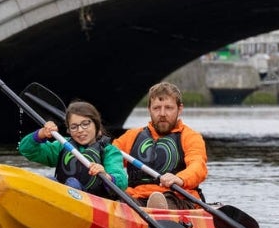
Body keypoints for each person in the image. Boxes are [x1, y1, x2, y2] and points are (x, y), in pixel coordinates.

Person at [113, 82, 208, 210]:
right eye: (157, 108)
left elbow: (198, 166)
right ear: (149, 110)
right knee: (120, 201)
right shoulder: (131, 136)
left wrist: (180, 178)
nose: (162, 113)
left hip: (176, 198)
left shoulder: (190, 136)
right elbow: (110, 157)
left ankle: (156, 212)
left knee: (164, 201)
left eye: (168, 108)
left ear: (179, 109)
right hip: (136, 198)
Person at [18, 100, 126, 199]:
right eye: (74, 127)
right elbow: (27, 150)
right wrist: (41, 134)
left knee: (72, 183)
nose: (80, 130)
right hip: (63, 198)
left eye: (85, 124)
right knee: (48, 180)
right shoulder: (62, 145)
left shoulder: (109, 151)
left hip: (95, 204)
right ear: (68, 130)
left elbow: (121, 181)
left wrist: (106, 175)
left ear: (96, 125)